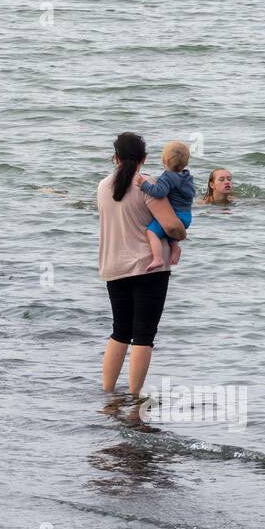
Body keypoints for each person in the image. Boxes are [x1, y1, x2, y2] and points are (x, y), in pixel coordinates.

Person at [98, 131, 186, 396]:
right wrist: (181, 234)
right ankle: (135, 396)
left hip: (114, 267)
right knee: (144, 335)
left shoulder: (102, 186)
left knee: (120, 331)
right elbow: (171, 225)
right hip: (149, 269)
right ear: (144, 159)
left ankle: (108, 394)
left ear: (115, 157)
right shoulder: (148, 185)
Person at [138, 140, 195, 271]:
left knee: (151, 232)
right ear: (186, 162)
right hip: (186, 216)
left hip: (175, 217)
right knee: (168, 232)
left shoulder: (167, 177)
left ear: (164, 160)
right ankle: (175, 248)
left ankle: (157, 258)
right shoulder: (187, 177)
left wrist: (144, 185)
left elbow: (159, 192)